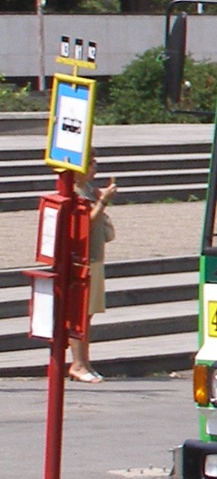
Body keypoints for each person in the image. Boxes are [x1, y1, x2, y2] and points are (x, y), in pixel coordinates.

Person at [69, 162, 117, 382]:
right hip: (83, 260)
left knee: (87, 315)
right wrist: (103, 201)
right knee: (79, 314)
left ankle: (84, 362)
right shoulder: (73, 191)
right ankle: (78, 364)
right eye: (90, 165)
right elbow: (84, 224)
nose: (94, 171)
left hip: (95, 256)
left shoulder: (87, 188)